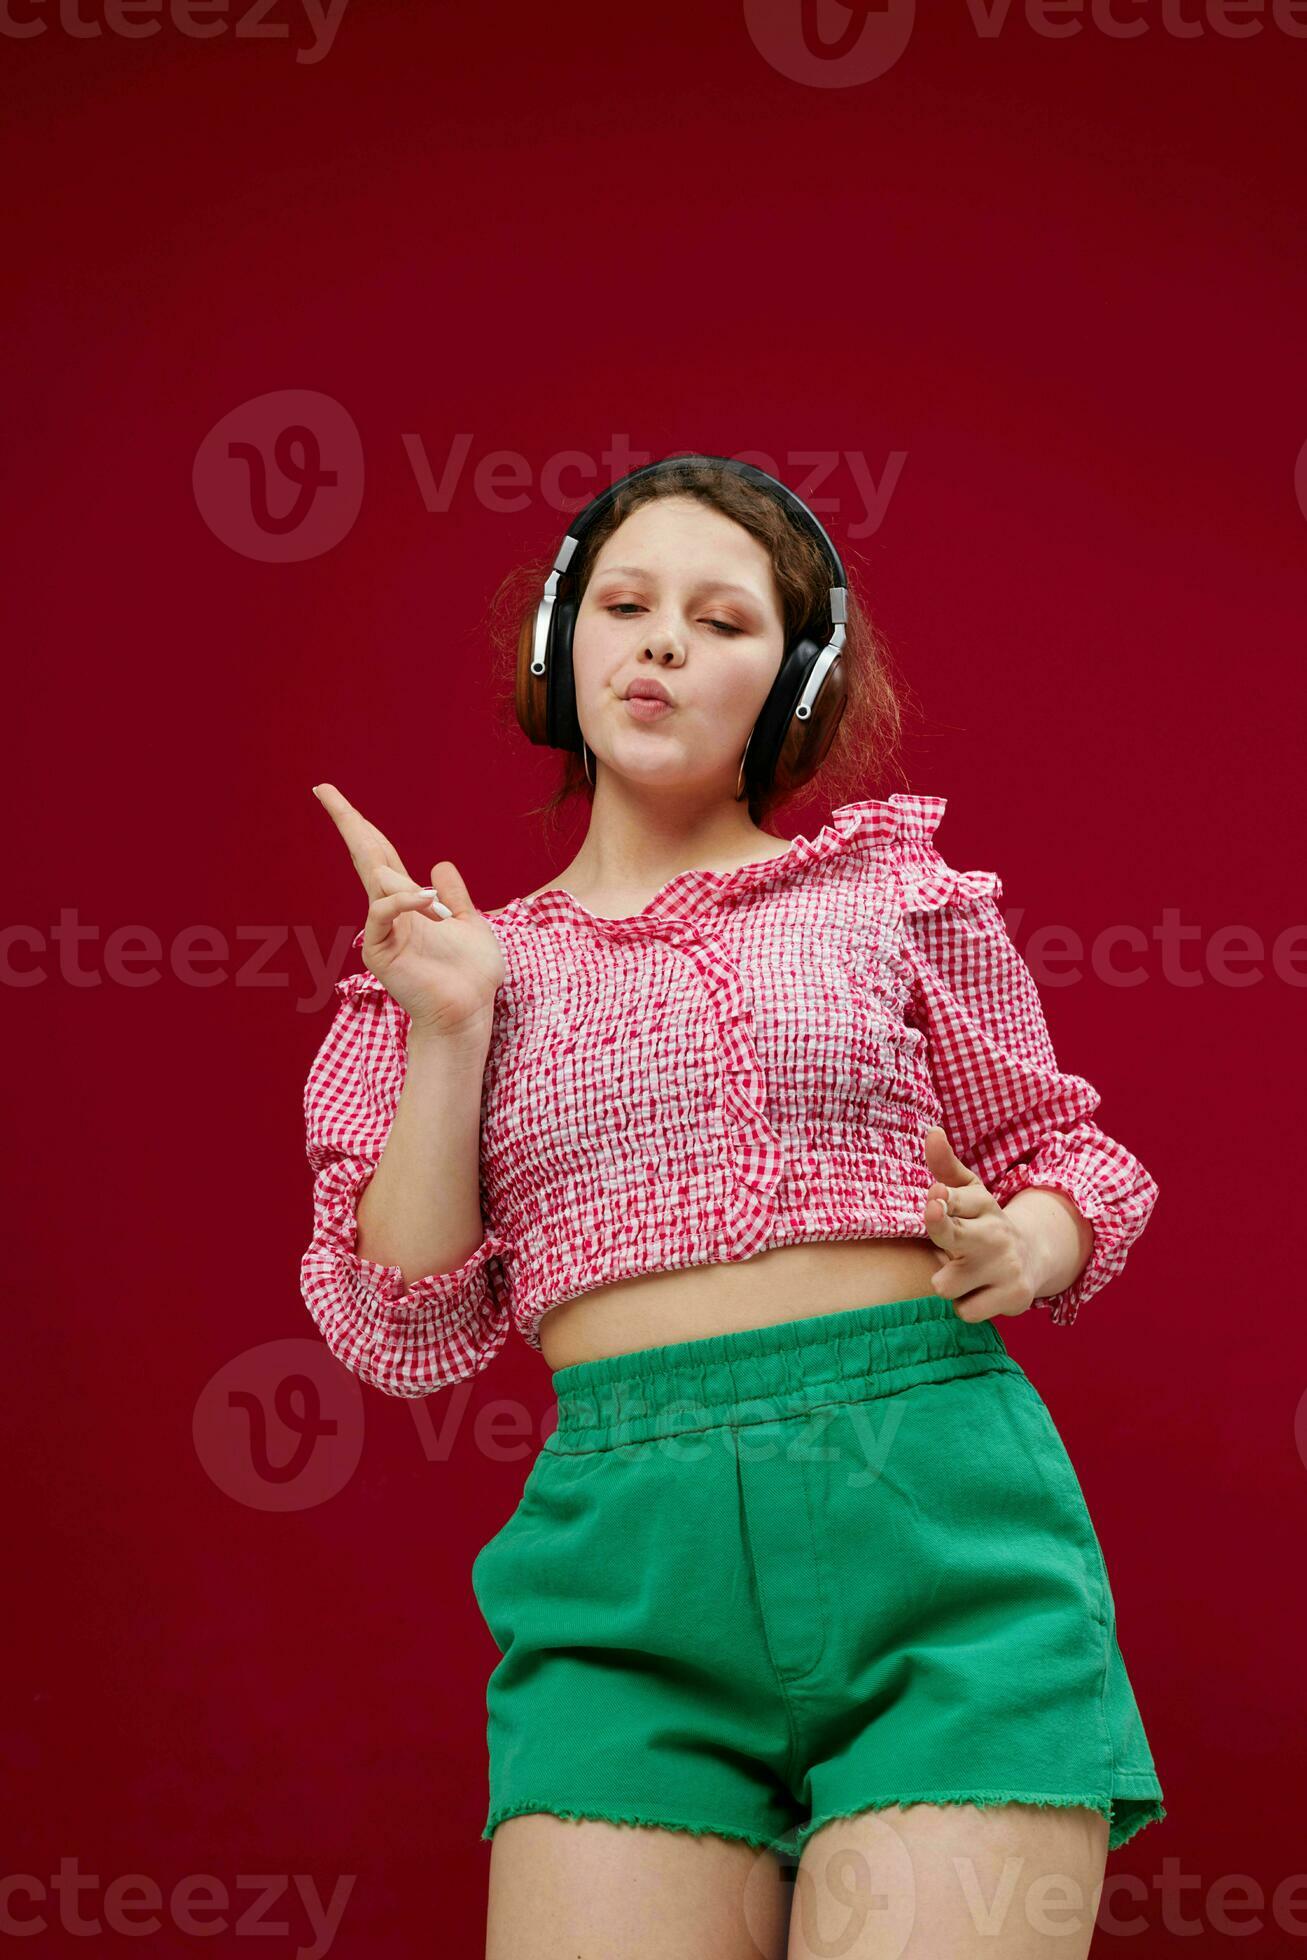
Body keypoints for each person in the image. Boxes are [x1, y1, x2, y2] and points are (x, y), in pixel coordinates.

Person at [301, 455, 1166, 1960]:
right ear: (560, 644)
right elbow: (405, 1327)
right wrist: (449, 1024)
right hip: (627, 1576)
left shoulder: (895, 897)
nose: (660, 646)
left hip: (937, 1530)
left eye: (723, 621)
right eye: (626, 606)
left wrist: (1021, 1246)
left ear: (795, 680)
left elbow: (1078, 1160)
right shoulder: (453, 969)